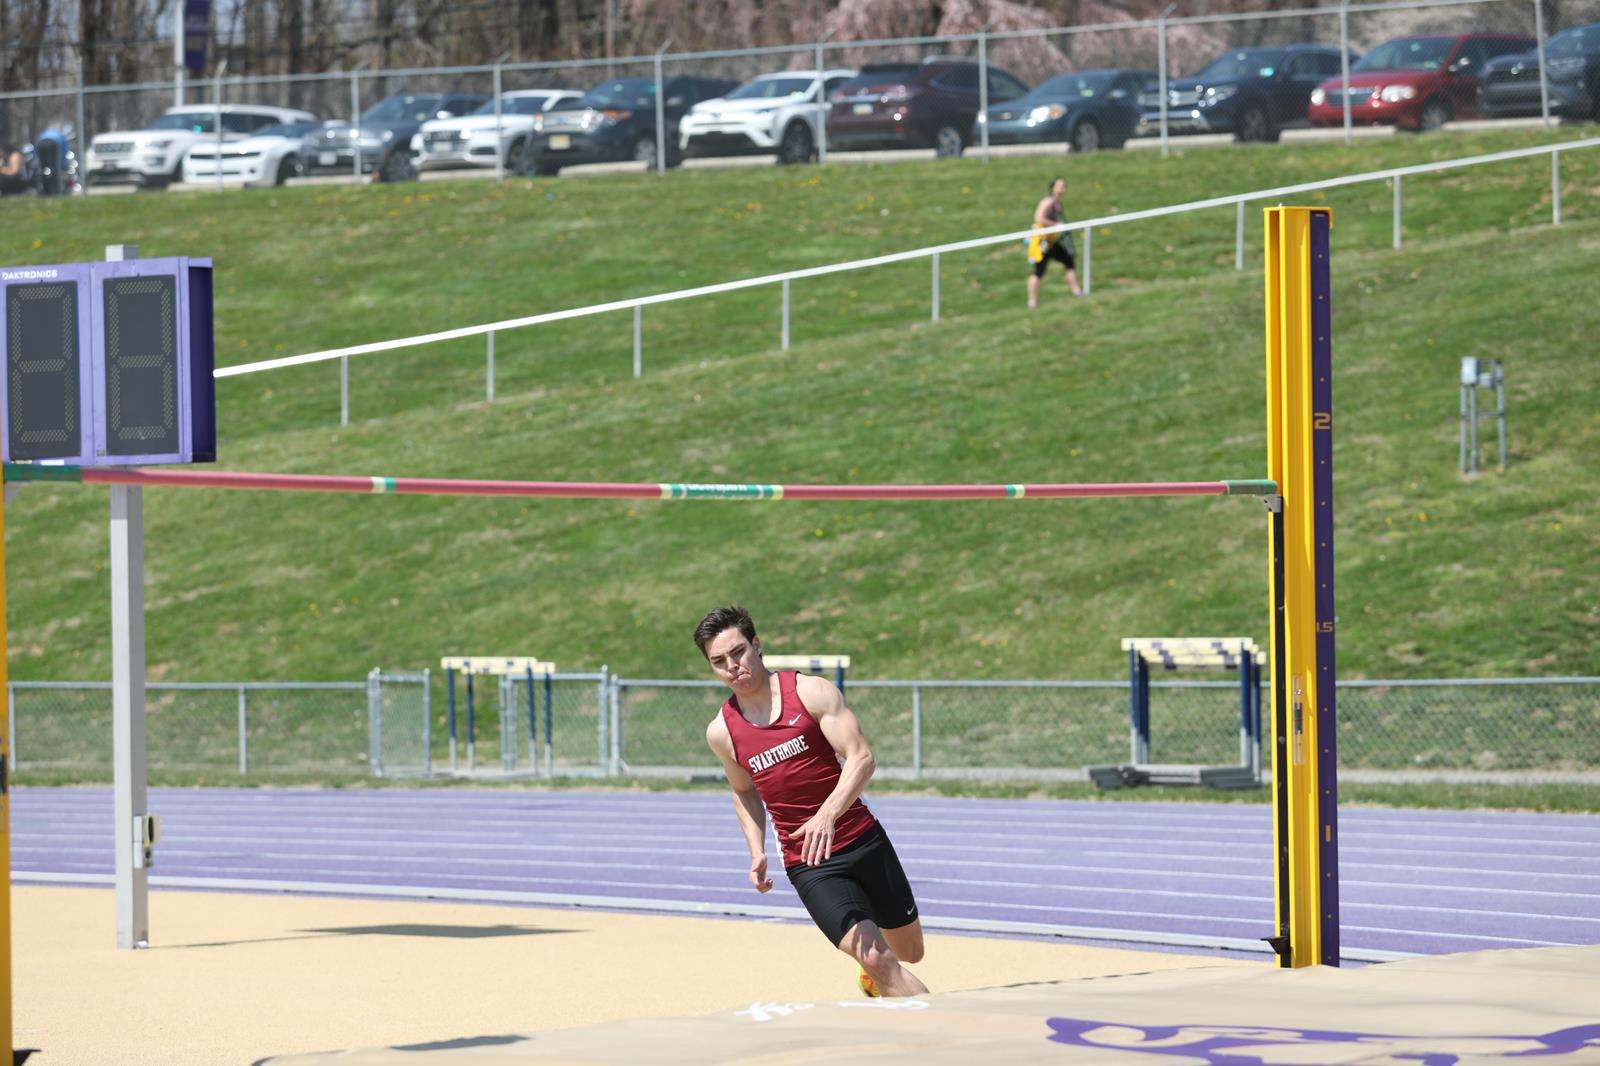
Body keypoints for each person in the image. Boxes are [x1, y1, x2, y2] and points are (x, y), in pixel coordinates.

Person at [697, 605, 927, 998]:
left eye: (738, 652)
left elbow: (862, 758)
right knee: (877, 957)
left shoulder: (811, 692)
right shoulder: (722, 732)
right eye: (719, 661)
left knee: (909, 952)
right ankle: (938, 1037)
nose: (732, 666)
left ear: (756, 644)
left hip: (862, 840)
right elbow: (744, 790)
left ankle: (878, 982)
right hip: (810, 862)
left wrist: (828, 814)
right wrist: (756, 849)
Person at [1026, 176, 1082, 308]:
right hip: (1042, 242)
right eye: (1060, 186)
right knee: (1038, 272)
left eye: (1064, 186)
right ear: (1052, 188)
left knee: (1069, 261)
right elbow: (1039, 218)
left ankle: (1077, 291)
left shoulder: (1057, 203)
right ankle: (1032, 302)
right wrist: (1056, 225)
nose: (1063, 189)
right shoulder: (1048, 202)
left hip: (1052, 241)